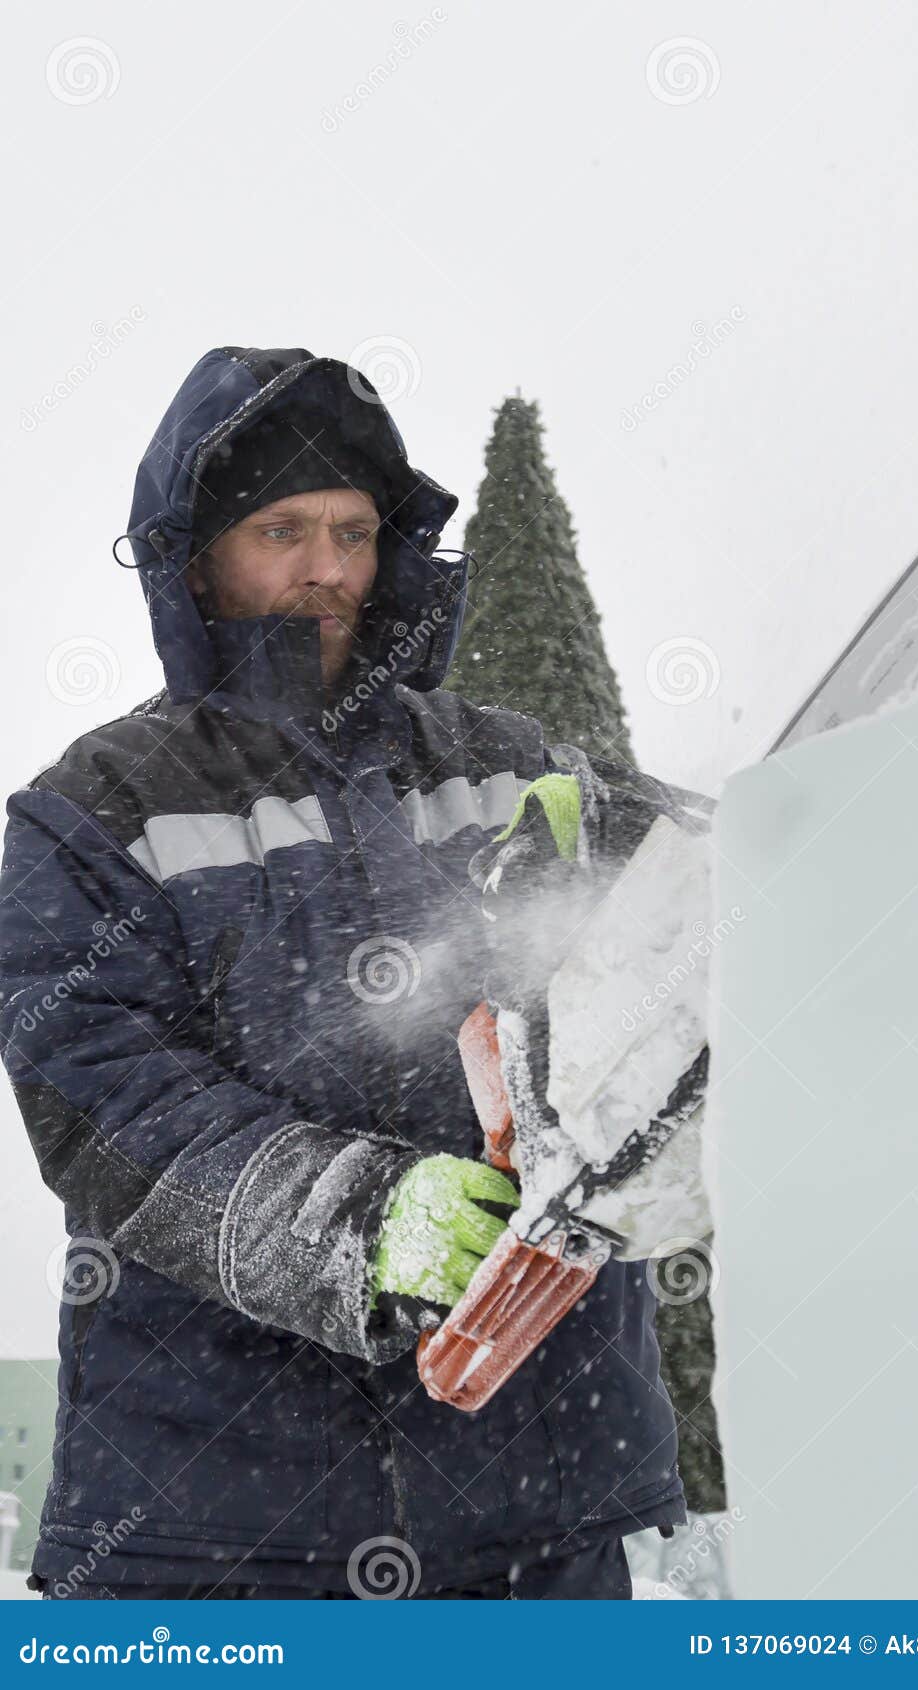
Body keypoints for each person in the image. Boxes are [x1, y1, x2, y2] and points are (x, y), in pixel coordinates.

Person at [0, 345, 688, 1600]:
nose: (326, 569)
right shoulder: (93, 811)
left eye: (353, 531)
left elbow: (724, 914)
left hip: (536, 1509)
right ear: (192, 558)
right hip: (222, 1535)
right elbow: (105, 1100)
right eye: (281, 530)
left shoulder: (509, 761)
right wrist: (357, 1215)